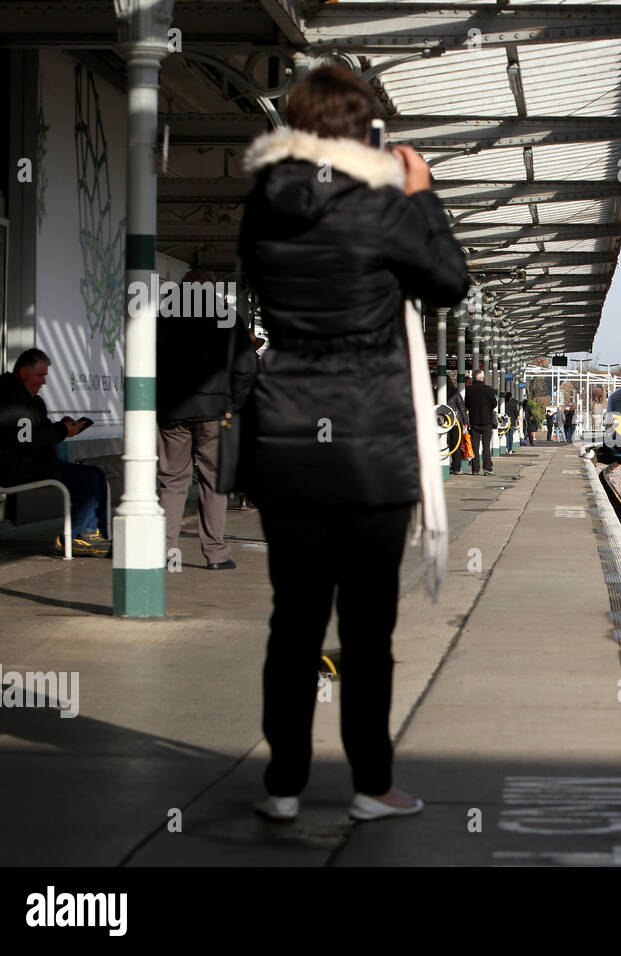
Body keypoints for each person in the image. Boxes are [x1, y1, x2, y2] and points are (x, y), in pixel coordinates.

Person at [237, 64, 469, 823]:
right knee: (367, 632)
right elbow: (448, 282)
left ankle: (283, 785)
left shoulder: (263, 205)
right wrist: (422, 193)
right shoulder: (381, 210)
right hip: (370, 451)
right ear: (365, 131)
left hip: (286, 440)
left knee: (293, 622)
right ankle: (372, 785)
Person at [156, 270, 257, 570]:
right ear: (211, 289)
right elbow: (246, 367)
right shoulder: (227, 317)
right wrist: (232, 404)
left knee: (172, 481)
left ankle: (164, 550)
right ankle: (215, 554)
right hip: (215, 413)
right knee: (214, 482)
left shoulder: (162, 317)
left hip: (172, 413)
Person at [0, 348, 111, 556]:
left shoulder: (29, 400)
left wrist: (62, 427)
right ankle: (78, 536)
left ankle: (94, 534)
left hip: (34, 464)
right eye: (40, 375)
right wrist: (61, 430)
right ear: (24, 373)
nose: (44, 382)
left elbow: (34, 430)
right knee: (87, 478)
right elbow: (25, 437)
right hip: (18, 469)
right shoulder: (10, 400)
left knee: (95, 474)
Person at [465, 371, 496, 475]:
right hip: (487, 421)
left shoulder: (469, 390)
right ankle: (487, 468)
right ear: (483, 378)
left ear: (474, 378)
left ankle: (475, 469)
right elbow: (494, 404)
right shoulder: (489, 390)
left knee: (475, 445)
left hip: (474, 421)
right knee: (486, 445)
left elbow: (467, 404)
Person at [446, 374, 468, 475]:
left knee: (449, 444)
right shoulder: (455, 393)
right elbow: (462, 409)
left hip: (443, 422)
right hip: (456, 422)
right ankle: (457, 466)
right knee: (456, 444)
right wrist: (465, 422)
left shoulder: (438, 392)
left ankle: (453, 466)